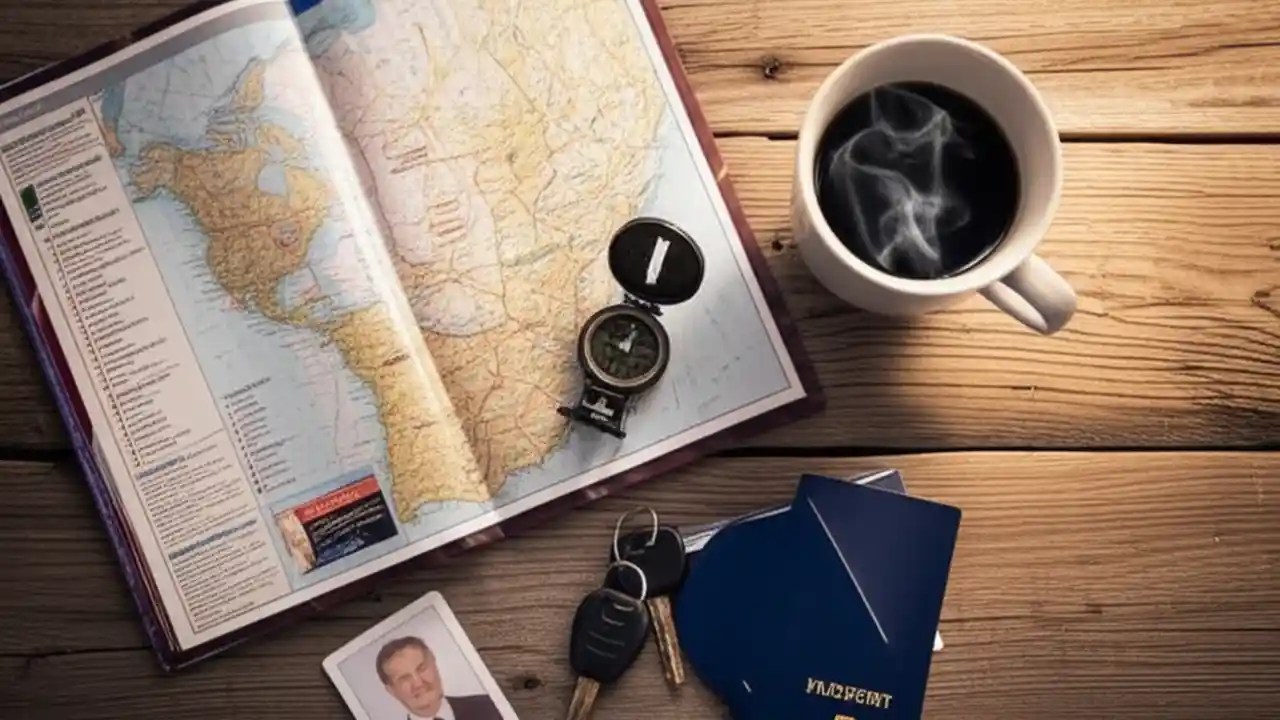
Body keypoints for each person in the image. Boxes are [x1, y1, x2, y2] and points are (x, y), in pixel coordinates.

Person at [375, 636, 503, 720]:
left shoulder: (491, 706)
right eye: (404, 678)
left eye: (422, 668)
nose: (418, 683)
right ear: (391, 691)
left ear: (434, 663)